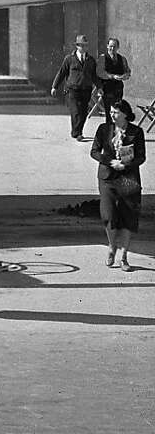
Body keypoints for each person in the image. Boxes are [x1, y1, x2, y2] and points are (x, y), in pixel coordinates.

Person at [91, 97, 145, 271]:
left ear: (125, 114)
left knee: (129, 215)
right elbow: (94, 152)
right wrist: (109, 161)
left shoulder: (136, 132)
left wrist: (126, 164)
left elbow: (141, 156)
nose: (112, 115)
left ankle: (124, 257)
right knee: (108, 215)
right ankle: (111, 246)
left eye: (116, 112)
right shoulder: (104, 129)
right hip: (107, 177)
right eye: (111, 112)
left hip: (128, 178)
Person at [50, 35, 99, 141]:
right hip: (72, 90)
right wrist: (55, 86)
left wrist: (99, 87)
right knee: (75, 111)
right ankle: (78, 133)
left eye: (86, 45)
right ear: (77, 46)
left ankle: (76, 131)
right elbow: (62, 72)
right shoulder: (69, 59)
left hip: (86, 89)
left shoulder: (91, 60)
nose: (84, 48)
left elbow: (94, 75)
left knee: (83, 112)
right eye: (81, 45)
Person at [99, 37, 132, 115]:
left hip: (118, 89)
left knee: (117, 111)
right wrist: (112, 76)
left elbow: (127, 71)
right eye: (111, 46)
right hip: (106, 88)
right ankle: (109, 126)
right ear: (107, 46)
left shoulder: (122, 59)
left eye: (114, 46)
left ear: (118, 47)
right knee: (109, 113)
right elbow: (100, 72)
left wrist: (125, 76)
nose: (112, 48)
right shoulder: (102, 58)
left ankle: (116, 126)